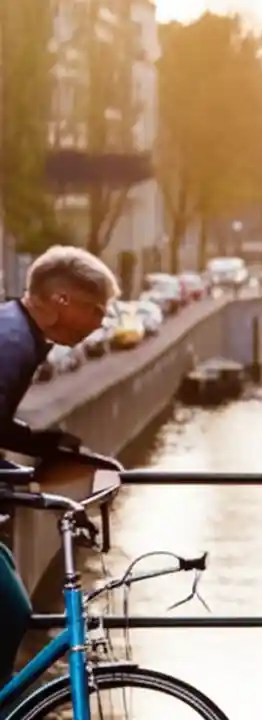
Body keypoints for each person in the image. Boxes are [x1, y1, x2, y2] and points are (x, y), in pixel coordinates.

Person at [0, 246, 119, 678]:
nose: (100, 322)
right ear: (61, 301)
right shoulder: (13, 341)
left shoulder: (18, 333)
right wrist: (41, 450)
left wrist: (44, 445)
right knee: (10, 609)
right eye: (95, 309)